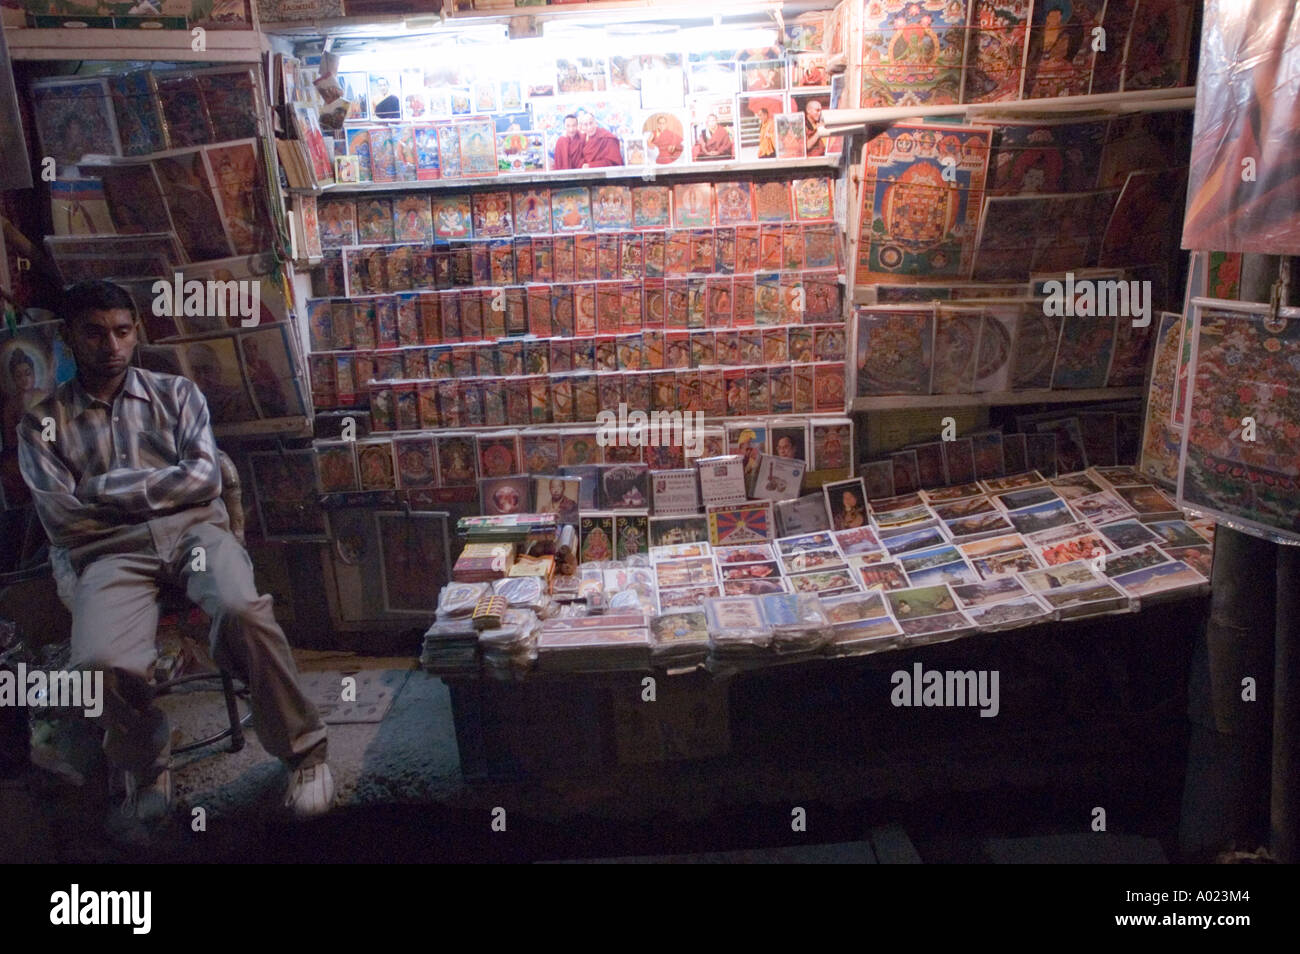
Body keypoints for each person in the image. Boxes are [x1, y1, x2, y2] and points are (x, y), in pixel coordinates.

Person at [17, 281, 333, 836]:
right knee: (98, 662)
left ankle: (304, 754)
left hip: (194, 535)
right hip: (108, 552)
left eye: (122, 331)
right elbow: (63, 518)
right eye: (94, 332)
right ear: (69, 338)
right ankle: (145, 768)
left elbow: (206, 477)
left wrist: (108, 487)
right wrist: (157, 490)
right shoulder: (42, 422)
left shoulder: (177, 393)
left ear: (135, 332)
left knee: (241, 610)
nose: (111, 345)